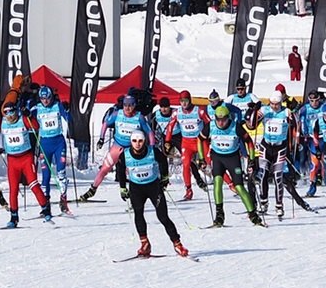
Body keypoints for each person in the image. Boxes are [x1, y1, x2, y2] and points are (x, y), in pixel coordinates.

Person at [92, 128, 188, 259]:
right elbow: (120, 170)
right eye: (134, 141)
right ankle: (145, 244)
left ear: (145, 141)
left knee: (163, 217)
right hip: (136, 188)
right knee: (138, 214)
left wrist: (165, 177)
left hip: (153, 187)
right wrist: (122, 188)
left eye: (140, 141)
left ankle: (178, 244)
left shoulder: (152, 152)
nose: (137, 144)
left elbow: (163, 161)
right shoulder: (125, 154)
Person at [202, 103, 264, 227]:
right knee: (217, 183)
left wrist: (251, 159)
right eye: (218, 119)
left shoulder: (236, 127)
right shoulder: (211, 126)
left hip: (232, 158)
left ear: (228, 118)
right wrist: (201, 158)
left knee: (239, 187)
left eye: (223, 119)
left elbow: (249, 142)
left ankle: (253, 215)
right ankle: (219, 215)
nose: (220, 123)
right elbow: (200, 139)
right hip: (217, 157)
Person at [0, 101, 51, 227]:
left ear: (16, 111)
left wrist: (30, 116)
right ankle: (14, 217)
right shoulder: (3, 123)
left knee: (33, 184)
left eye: (12, 112)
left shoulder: (23, 120)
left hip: (26, 158)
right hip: (12, 160)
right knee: (13, 189)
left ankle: (45, 208)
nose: (10, 116)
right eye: (7, 113)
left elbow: (36, 126)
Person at [259, 91, 312, 218]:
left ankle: (279, 205)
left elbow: (296, 123)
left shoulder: (286, 112)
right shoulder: (265, 110)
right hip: (266, 146)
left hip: (279, 148)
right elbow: (251, 124)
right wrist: (254, 112)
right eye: (272, 104)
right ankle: (264, 202)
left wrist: (294, 117)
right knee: (263, 175)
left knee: (278, 177)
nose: (274, 107)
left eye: (276, 104)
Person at [32, 85, 73, 212]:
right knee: (45, 175)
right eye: (42, 99)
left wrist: (67, 110)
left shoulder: (57, 105)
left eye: (47, 98)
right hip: (45, 144)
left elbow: (69, 119)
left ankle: (63, 199)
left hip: (58, 143)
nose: (45, 101)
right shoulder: (36, 108)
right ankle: (46, 203)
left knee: (61, 173)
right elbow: (26, 119)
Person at [163, 92, 209, 201]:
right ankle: (188, 190)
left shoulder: (198, 111)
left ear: (190, 100)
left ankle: (231, 184)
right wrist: (167, 141)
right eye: (181, 101)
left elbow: (209, 123)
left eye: (186, 101)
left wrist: (207, 135)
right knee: (186, 164)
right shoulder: (177, 113)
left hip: (200, 141)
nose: (184, 104)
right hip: (186, 143)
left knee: (210, 161)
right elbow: (170, 126)